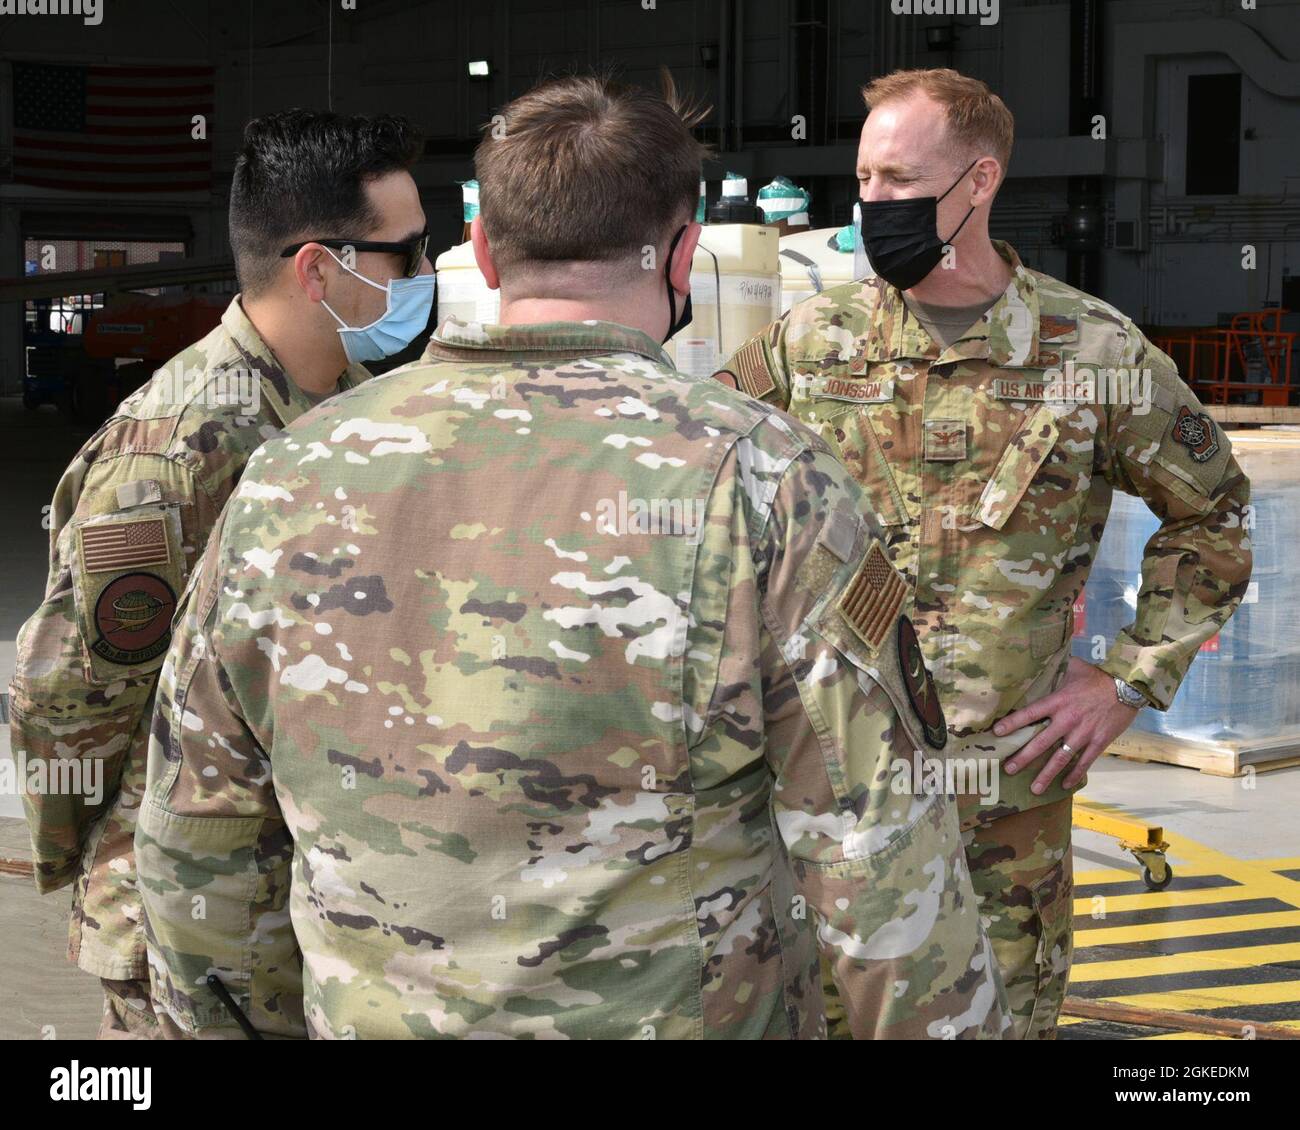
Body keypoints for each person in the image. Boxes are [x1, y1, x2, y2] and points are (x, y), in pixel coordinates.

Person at [135, 72, 1008, 1040]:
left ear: (480, 252)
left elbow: (198, 837)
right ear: (683, 256)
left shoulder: (288, 478)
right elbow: (880, 856)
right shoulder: (764, 477)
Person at [715, 68, 1251, 1039]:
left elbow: (1212, 514)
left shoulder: (1093, 353)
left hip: (1002, 808)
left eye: (897, 179)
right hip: (828, 795)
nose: (872, 203)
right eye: (864, 180)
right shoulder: (811, 344)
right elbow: (701, 488)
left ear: (977, 183)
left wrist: (1125, 678)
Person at [9, 108, 431, 1038]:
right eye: (406, 253)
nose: (427, 277)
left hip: (321, 905)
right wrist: (107, 869)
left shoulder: (356, 410)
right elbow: (70, 701)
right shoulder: (176, 451)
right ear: (320, 267)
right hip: (195, 925)